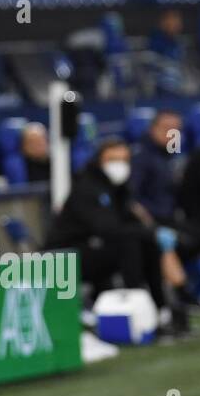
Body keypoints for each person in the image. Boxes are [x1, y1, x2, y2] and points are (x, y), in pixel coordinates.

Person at [45, 139, 190, 335]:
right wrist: (151, 232)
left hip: (96, 248)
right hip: (64, 257)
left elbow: (129, 223)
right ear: (99, 161)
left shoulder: (119, 188)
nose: (119, 165)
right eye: (112, 159)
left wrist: (153, 232)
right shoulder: (87, 188)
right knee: (130, 243)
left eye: (123, 160)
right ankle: (135, 309)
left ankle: (160, 310)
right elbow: (107, 228)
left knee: (146, 243)